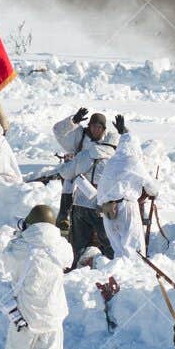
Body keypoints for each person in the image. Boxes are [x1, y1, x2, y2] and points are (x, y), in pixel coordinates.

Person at [0, 205, 73, 349]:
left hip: (26, 313)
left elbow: (7, 259)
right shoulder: (61, 247)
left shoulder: (20, 247)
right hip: (53, 312)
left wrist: (20, 233)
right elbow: (69, 260)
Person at [52, 108, 117, 258]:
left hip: (93, 201)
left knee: (92, 239)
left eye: (99, 127)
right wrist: (73, 121)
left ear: (104, 129)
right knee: (104, 239)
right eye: (93, 126)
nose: (95, 129)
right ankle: (64, 214)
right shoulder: (81, 137)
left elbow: (66, 172)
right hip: (93, 200)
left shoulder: (99, 149)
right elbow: (58, 131)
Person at [96, 116, 157, 260]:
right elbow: (151, 187)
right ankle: (134, 276)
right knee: (134, 249)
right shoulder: (133, 161)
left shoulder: (112, 161)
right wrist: (154, 191)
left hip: (107, 210)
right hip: (125, 209)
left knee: (119, 251)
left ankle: (120, 275)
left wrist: (123, 131)